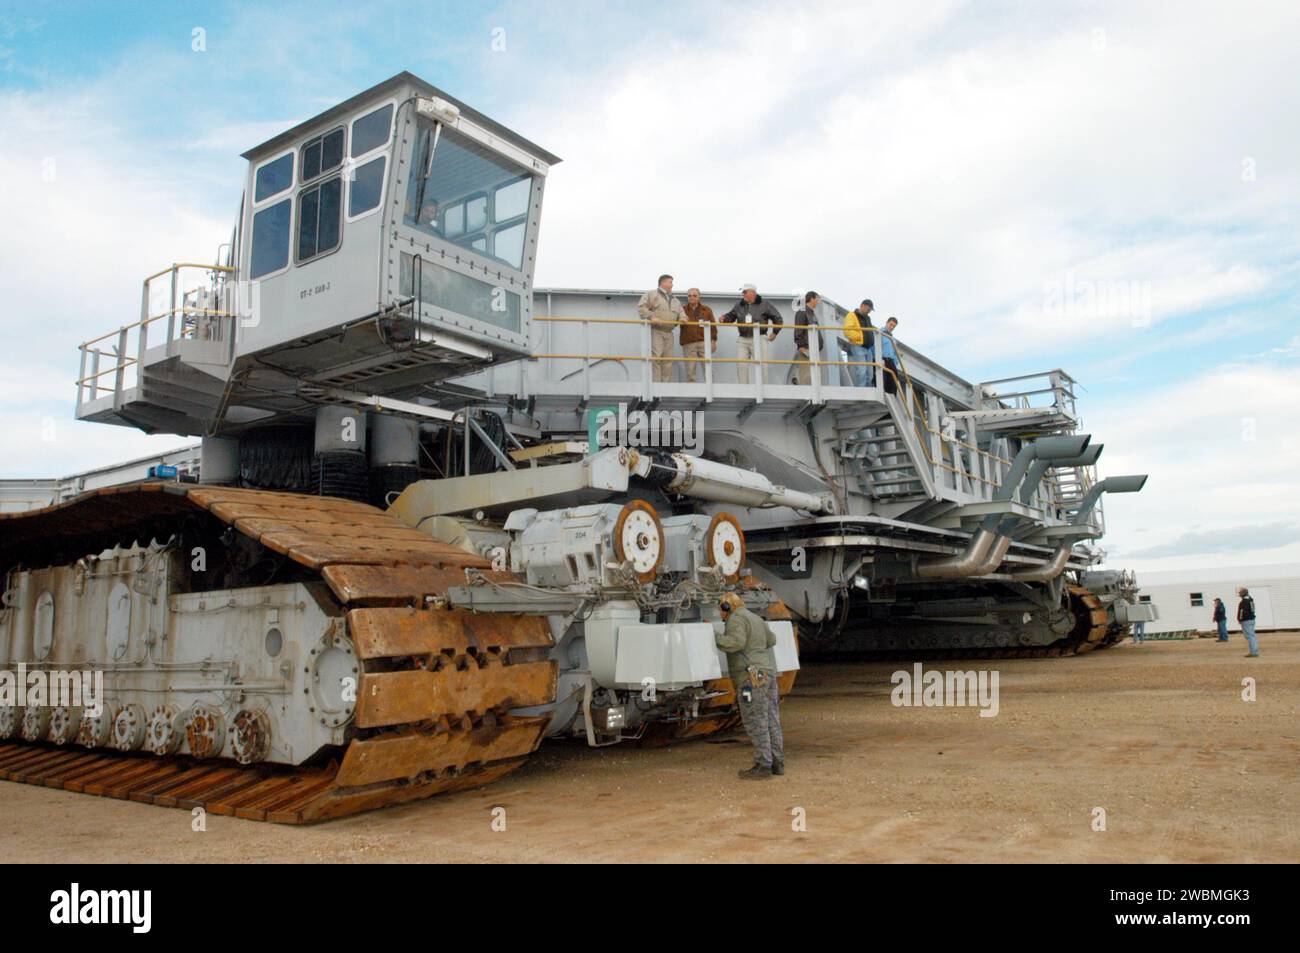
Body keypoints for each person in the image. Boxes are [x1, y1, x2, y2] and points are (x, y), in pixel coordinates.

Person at [715, 592, 784, 779]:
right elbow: (772, 640)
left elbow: (736, 643)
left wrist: (715, 636)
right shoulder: (755, 617)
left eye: (720, 609)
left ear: (726, 607)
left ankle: (763, 765)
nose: (720, 614)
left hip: (749, 680)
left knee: (755, 720)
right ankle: (777, 763)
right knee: (771, 719)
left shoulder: (736, 620)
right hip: (767, 676)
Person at [720, 284, 783, 383]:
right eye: (742, 292)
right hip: (743, 339)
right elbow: (731, 316)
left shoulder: (765, 304)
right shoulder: (739, 305)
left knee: (762, 365)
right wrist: (724, 319)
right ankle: (744, 391)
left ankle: (763, 391)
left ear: (752, 292)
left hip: (760, 338)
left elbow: (778, 318)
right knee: (741, 365)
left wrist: (775, 332)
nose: (743, 294)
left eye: (745, 292)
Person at [637, 274, 684, 383]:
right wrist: (652, 316)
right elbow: (641, 307)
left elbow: (681, 312)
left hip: (669, 332)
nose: (672, 285)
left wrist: (683, 318)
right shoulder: (651, 294)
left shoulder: (675, 300)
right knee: (656, 357)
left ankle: (665, 384)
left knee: (668, 359)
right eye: (670, 282)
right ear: (663, 283)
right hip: (656, 331)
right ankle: (656, 385)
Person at [680, 288, 716, 382]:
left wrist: (713, 341)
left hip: (704, 342)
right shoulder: (682, 310)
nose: (692, 297)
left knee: (708, 368)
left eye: (694, 295)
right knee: (690, 369)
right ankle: (692, 393)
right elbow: (674, 322)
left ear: (699, 297)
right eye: (689, 296)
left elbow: (713, 326)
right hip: (688, 342)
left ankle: (710, 392)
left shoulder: (707, 310)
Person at [792, 291, 824, 385]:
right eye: (817, 299)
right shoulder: (802, 312)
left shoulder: (811, 313)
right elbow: (798, 329)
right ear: (812, 299)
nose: (818, 302)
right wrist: (801, 346)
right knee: (806, 375)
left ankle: (813, 396)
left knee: (814, 375)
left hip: (814, 349)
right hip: (806, 349)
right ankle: (806, 396)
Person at [842, 299, 875, 386]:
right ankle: (863, 393)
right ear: (862, 306)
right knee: (862, 371)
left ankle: (868, 393)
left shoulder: (868, 318)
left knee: (870, 374)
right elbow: (847, 331)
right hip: (858, 346)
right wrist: (861, 337)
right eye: (868, 309)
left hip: (868, 348)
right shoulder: (851, 315)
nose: (869, 312)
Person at [879, 316, 901, 396]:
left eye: (894, 326)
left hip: (891, 361)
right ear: (887, 323)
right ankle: (884, 397)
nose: (892, 327)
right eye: (891, 325)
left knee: (894, 380)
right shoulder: (879, 333)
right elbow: (875, 346)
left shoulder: (893, 339)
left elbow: (894, 353)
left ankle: (892, 398)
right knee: (884, 380)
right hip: (883, 360)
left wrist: (895, 362)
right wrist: (879, 359)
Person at [1237, 587, 1259, 657]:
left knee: (1249, 636)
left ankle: (1253, 652)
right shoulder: (1250, 600)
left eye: (1240, 592)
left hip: (1246, 620)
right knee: (1252, 636)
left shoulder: (1244, 601)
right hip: (1252, 619)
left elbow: (1242, 611)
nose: (1239, 594)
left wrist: (1240, 619)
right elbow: (1252, 610)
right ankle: (1254, 651)